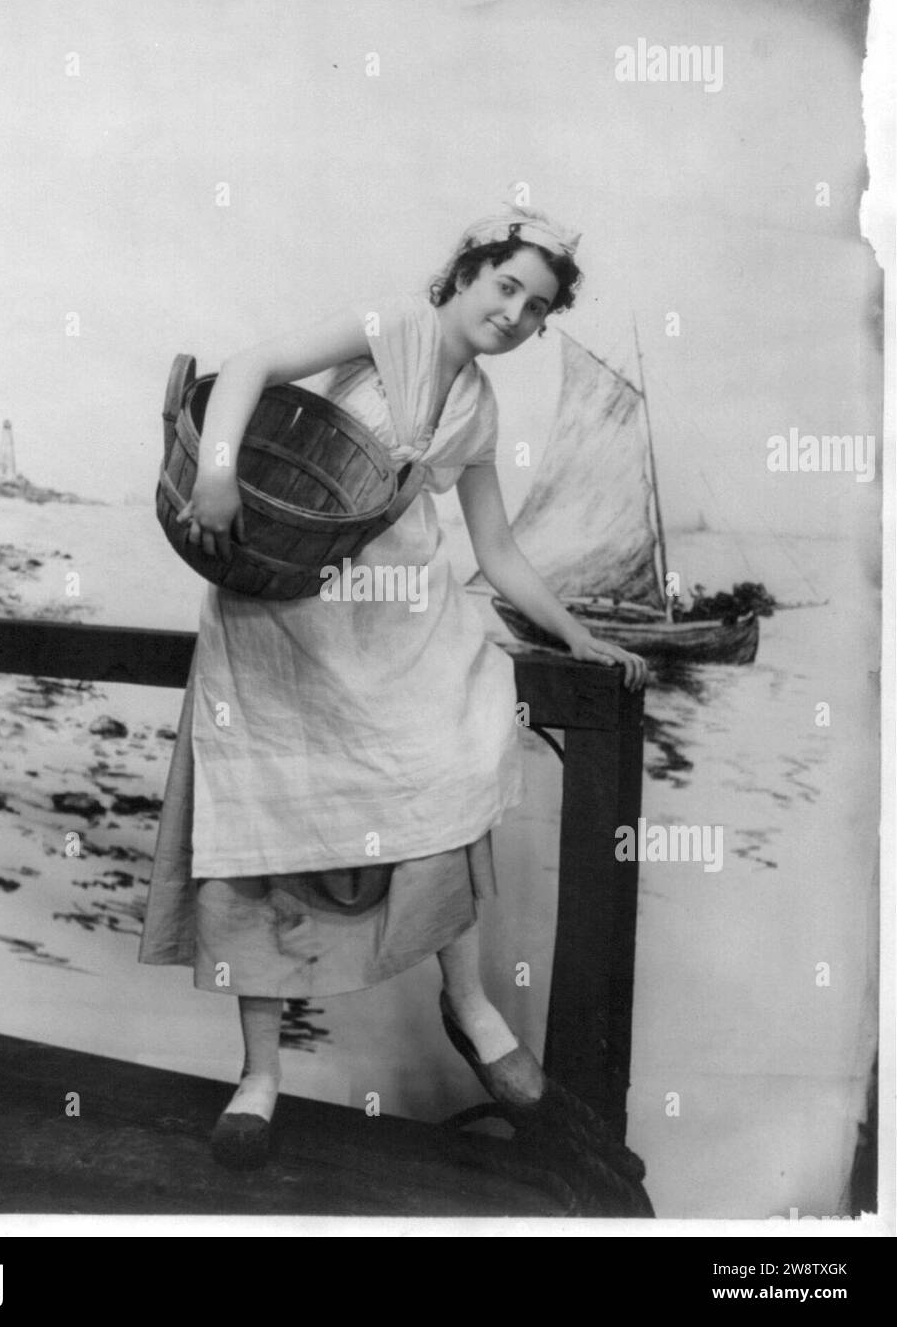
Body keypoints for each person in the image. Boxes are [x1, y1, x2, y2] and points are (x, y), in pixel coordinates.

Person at [139, 206, 647, 1172]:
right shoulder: (388, 328)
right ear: (464, 275)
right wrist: (215, 476)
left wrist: (580, 636)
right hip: (282, 615)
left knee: (450, 758)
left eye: (536, 307)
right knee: (263, 829)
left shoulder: (480, 408)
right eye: (505, 286)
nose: (513, 312)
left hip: (388, 625)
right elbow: (244, 367)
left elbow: (495, 550)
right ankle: (259, 1074)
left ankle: (470, 1009)